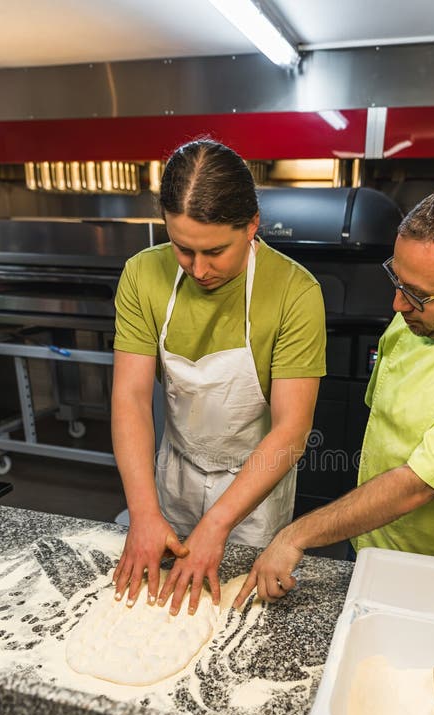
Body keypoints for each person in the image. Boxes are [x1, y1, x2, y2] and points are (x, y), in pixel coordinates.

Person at [234, 184, 434, 606]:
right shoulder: (420, 315)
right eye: (397, 279)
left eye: (417, 294)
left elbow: (418, 484)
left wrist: (296, 534)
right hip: (369, 537)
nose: (397, 304)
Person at [111, 140, 326, 614]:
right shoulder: (142, 276)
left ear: (252, 225)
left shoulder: (294, 291)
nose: (199, 269)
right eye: (182, 249)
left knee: (234, 617)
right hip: (175, 474)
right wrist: (144, 513)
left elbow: (292, 429)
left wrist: (217, 524)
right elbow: (129, 397)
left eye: (215, 251)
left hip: (253, 488)